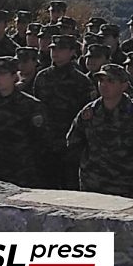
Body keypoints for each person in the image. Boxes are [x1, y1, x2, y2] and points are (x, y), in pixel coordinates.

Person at [66, 64, 133, 199]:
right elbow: (74, 142)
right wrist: (89, 166)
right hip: (94, 186)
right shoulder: (89, 112)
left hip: (129, 187)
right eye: (101, 81)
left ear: (123, 86)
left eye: (110, 81)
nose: (104, 85)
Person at [33, 35, 96, 189]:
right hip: (46, 142)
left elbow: (87, 116)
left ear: (72, 52)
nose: (55, 52)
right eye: (53, 49)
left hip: (70, 144)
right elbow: (36, 108)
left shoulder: (81, 81)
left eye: (61, 49)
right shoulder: (42, 77)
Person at [0, 57, 46, 187]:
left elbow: (40, 139)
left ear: (14, 76)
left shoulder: (30, 105)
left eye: (3, 74)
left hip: (22, 167)